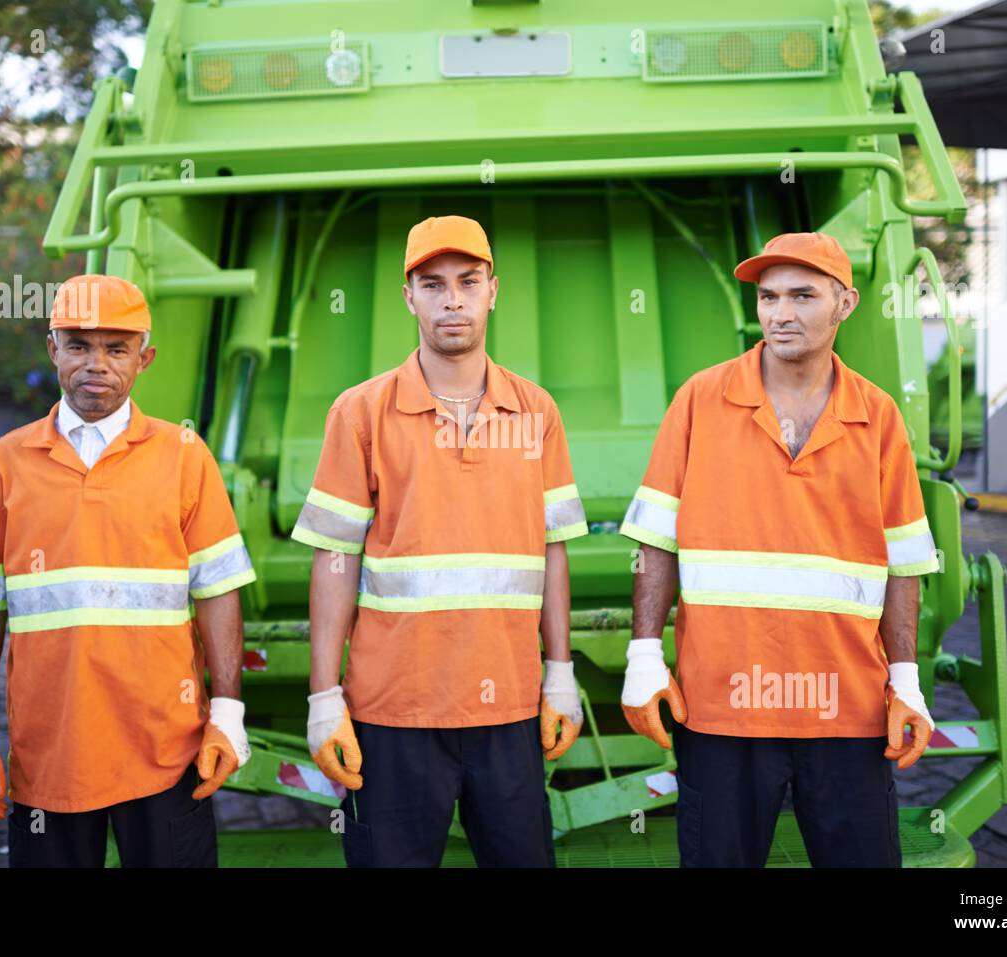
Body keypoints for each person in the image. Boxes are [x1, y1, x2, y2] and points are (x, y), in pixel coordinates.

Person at [618, 232, 940, 867]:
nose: (780, 313)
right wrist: (644, 656)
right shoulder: (699, 401)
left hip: (846, 708)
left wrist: (905, 681)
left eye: (802, 295)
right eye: (768, 297)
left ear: (845, 304)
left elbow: (904, 563)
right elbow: (655, 541)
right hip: (722, 707)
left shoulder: (878, 417)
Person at [291, 215, 587, 867]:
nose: (452, 298)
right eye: (433, 283)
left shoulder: (536, 412)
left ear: (493, 290)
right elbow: (333, 562)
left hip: (508, 706)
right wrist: (323, 697)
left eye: (468, 281)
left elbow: (554, 546)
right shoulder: (360, 413)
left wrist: (560, 674)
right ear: (408, 296)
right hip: (392, 710)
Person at [0, 274, 257, 867]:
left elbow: (218, 590)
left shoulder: (185, 458)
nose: (96, 364)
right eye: (79, 345)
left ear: (145, 359)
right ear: (52, 349)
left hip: (167, 754)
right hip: (50, 758)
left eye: (116, 348)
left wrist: (229, 713)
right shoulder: (6, 464)